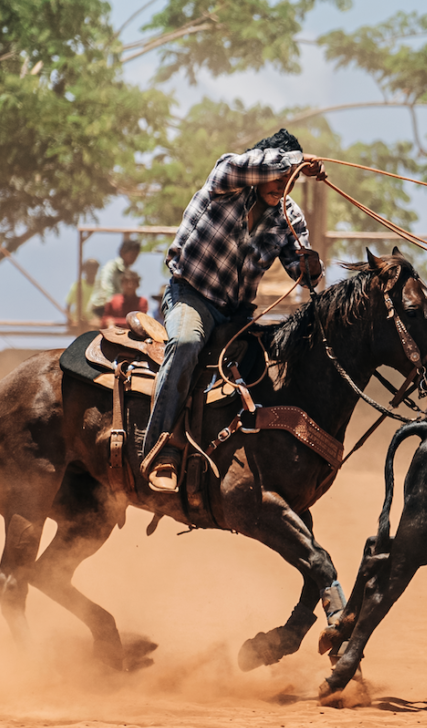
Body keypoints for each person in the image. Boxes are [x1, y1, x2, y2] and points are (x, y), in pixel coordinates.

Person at [140, 128, 326, 492]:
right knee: (187, 343)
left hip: (238, 315)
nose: (283, 183)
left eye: (290, 180)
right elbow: (244, 165)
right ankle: (160, 449)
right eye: (278, 175)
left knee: (273, 368)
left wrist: (310, 267)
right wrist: (295, 161)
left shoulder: (291, 217)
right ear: (261, 171)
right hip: (191, 295)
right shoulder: (226, 178)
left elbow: (303, 274)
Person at [91, 238, 142, 321]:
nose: (134, 258)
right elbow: (106, 286)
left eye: (136, 255)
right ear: (122, 252)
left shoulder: (127, 270)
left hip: (115, 306)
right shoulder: (111, 266)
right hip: (102, 307)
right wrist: (113, 303)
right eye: (132, 254)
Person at [66, 258, 100, 330]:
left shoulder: (100, 286)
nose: (91, 270)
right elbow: (68, 304)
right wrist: (70, 320)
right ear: (85, 269)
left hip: (93, 324)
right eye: (89, 267)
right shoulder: (78, 285)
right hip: (78, 323)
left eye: (94, 267)